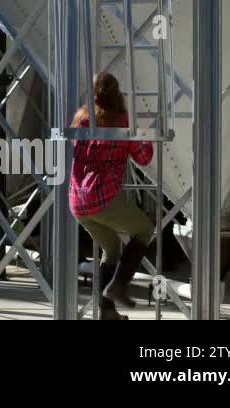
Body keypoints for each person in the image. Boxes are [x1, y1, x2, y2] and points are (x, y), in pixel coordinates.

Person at [70, 72, 154, 320]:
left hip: (77, 201)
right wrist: (144, 135)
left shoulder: (82, 119)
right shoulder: (124, 123)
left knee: (112, 250)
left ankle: (107, 312)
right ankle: (118, 286)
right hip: (101, 199)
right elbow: (144, 158)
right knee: (145, 229)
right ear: (118, 94)